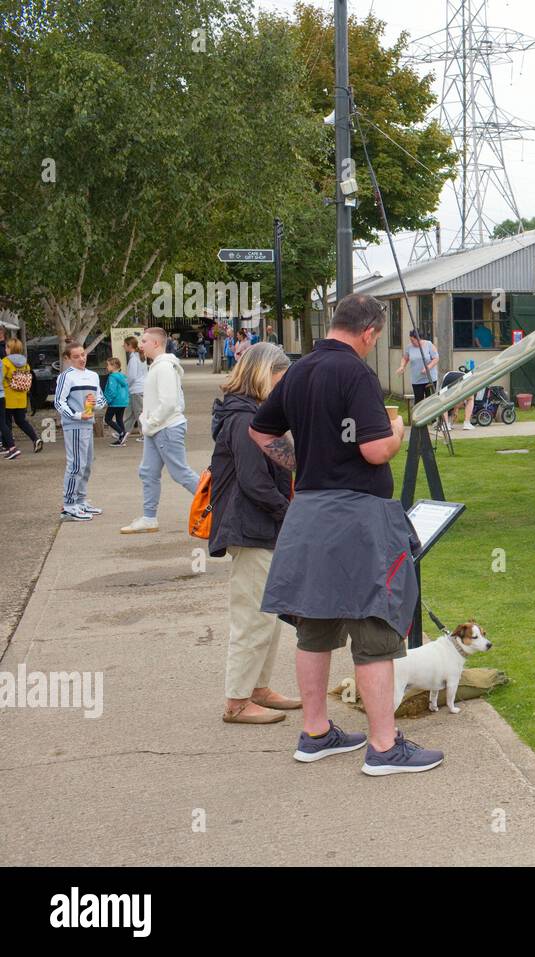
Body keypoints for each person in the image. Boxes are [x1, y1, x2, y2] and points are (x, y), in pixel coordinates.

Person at [250, 293, 443, 776]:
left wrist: (304, 463)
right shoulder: (355, 373)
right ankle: (384, 746)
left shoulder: (297, 370)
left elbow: (261, 431)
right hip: (358, 517)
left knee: (314, 627)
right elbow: (376, 450)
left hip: (309, 512)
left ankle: (315, 733)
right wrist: (397, 430)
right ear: (371, 332)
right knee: (375, 624)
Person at [209, 343, 298, 725]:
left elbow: (285, 462)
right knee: (252, 616)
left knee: (268, 614)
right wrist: (289, 511)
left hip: (260, 526)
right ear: (265, 374)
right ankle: (237, 701)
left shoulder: (251, 414)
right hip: (251, 526)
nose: (283, 387)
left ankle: (257, 688)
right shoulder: (244, 418)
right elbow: (254, 482)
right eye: (280, 378)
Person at [120, 327, 200, 534]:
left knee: (180, 473)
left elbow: (170, 403)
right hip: (157, 429)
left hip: (165, 428)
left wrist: (149, 422)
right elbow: (170, 401)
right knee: (148, 472)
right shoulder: (160, 366)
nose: (141, 345)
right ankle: (149, 518)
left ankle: (219, 504)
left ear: (156, 343)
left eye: (145, 341)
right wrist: (147, 422)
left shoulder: (163, 367)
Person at [53, 342, 105, 521]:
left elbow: (101, 400)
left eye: (83, 354)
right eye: (76, 356)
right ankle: (68, 505)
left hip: (87, 424)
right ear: (67, 359)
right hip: (74, 425)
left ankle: (80, 501)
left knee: (87, 464)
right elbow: (59, 402)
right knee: (76, 465)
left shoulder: (92, 375)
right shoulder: (66, 377)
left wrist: (94, 404)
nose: (82, 359)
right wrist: (77, 415)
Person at [2, 338, 42, 458]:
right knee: (21, 421)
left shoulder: (5, 362)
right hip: (21, 397)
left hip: (8, 396)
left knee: (6, 422)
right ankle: (35, 439)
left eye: (7, 347)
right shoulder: (25, 363)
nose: (5, 349)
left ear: (10, 349)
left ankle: (9, 446)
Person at [396, 328, 439, 403]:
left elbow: (436, 358)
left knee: (431, 401)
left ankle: (431, 414)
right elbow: (405, 358)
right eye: (410, 340)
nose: (411, 342)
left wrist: (428, 368)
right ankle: (420, 415)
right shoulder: (409, 347)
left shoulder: (429, 344)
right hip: (417, 380)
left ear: (419, 339)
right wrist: (402, 366)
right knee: (419, 401)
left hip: (429, 379)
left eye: (413, 340)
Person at [103, 357, 130, 446]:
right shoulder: (123, 376)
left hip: (114, 402)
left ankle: (122, 432)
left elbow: (112, 391)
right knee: (119, 419)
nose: (106, 367)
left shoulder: (112, 377)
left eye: (108, 365)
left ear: (114, 366)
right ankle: (122, 440)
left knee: (108, 419)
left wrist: (107, 400)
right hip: (123, 402)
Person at [123, 336, 146, 439]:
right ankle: (124, 432)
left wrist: (126, 385)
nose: (123, 346)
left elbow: (132, 376)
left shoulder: (133, 359)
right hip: (140, 388)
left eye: (125, 344)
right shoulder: (140, 356)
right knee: (131, 412)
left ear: (129, 345)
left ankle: (144, 435)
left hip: (136, 389)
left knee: (139, 413)